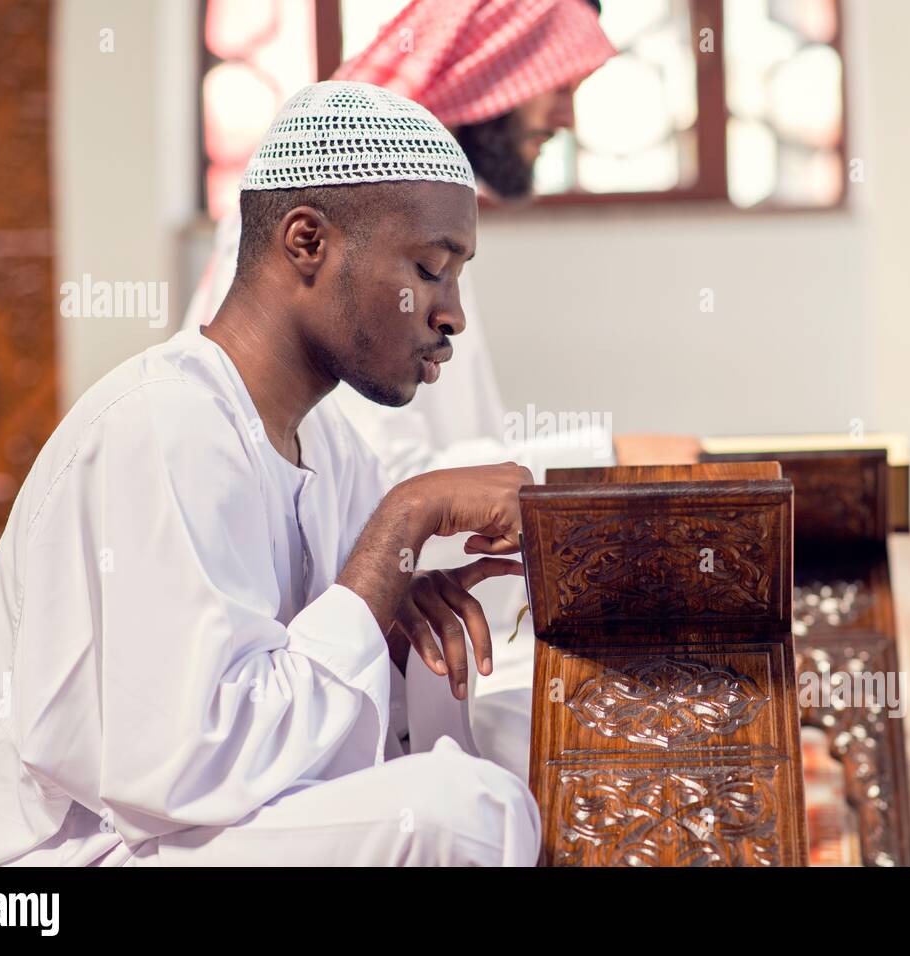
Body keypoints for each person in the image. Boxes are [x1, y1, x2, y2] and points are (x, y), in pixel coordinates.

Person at [0, 82, 539, 867]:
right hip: (45, 871)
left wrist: (395, 624)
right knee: (460, 818)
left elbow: (328, 733)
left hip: (177, 827)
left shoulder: (332, 443)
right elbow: (187, 771)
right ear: (307, 241)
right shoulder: (164, 422)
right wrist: (401, 523)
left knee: (522, 737)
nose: (451, 314)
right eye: (430, 268)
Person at [184, 0, 620, 778]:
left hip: (305, 699)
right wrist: (597, 462)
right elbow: (403, 485)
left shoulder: (331, 416)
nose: (566, 110)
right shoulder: (172, 422)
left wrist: (399, 581)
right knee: (477, 806)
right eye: (554, 77)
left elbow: (367, 492)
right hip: (237, 749)